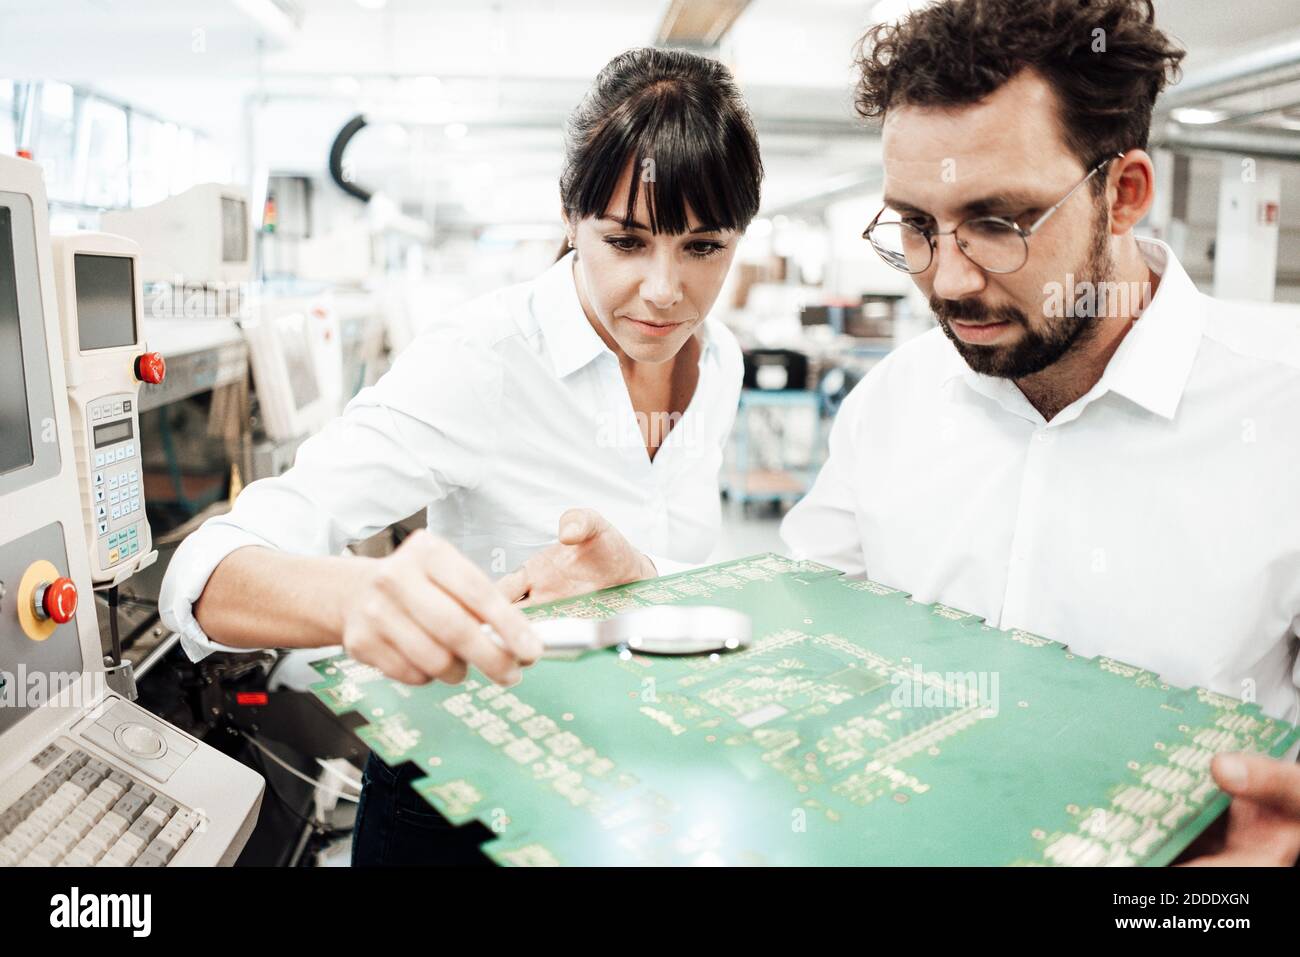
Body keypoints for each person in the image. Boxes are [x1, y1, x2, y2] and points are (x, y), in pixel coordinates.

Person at [159, 46, 761, 864]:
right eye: (626, 241)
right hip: (460, 796)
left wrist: (642, 586)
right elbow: (204, 573)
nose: (664, 290)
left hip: (633, 782)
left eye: (703, 247)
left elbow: (682, 572)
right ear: (568, 217)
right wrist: (366, 596)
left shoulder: (719, 361)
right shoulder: (484, 359)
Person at [772, 0, 1300, 863]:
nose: (947, 279)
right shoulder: (893, 403)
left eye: (997, 222)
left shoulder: (1282, 417)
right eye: (914, 224)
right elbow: (802, 622)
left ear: (1122, 193)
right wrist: (641, 596)